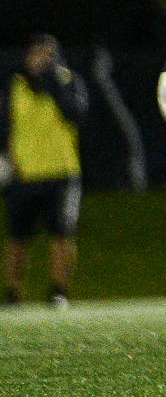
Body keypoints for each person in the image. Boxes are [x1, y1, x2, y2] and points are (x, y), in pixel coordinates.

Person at [1, 35, 91, 308]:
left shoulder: (69, 81)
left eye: (48, 54)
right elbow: (5, 125)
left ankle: (59, 292)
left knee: (62, 235)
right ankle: (13, 293)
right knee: (16, 238)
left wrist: (53, 85)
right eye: (36, 54)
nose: (41, 60)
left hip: (62, 172)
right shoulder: (14, 85)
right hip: (24, 173)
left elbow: (76, 114)